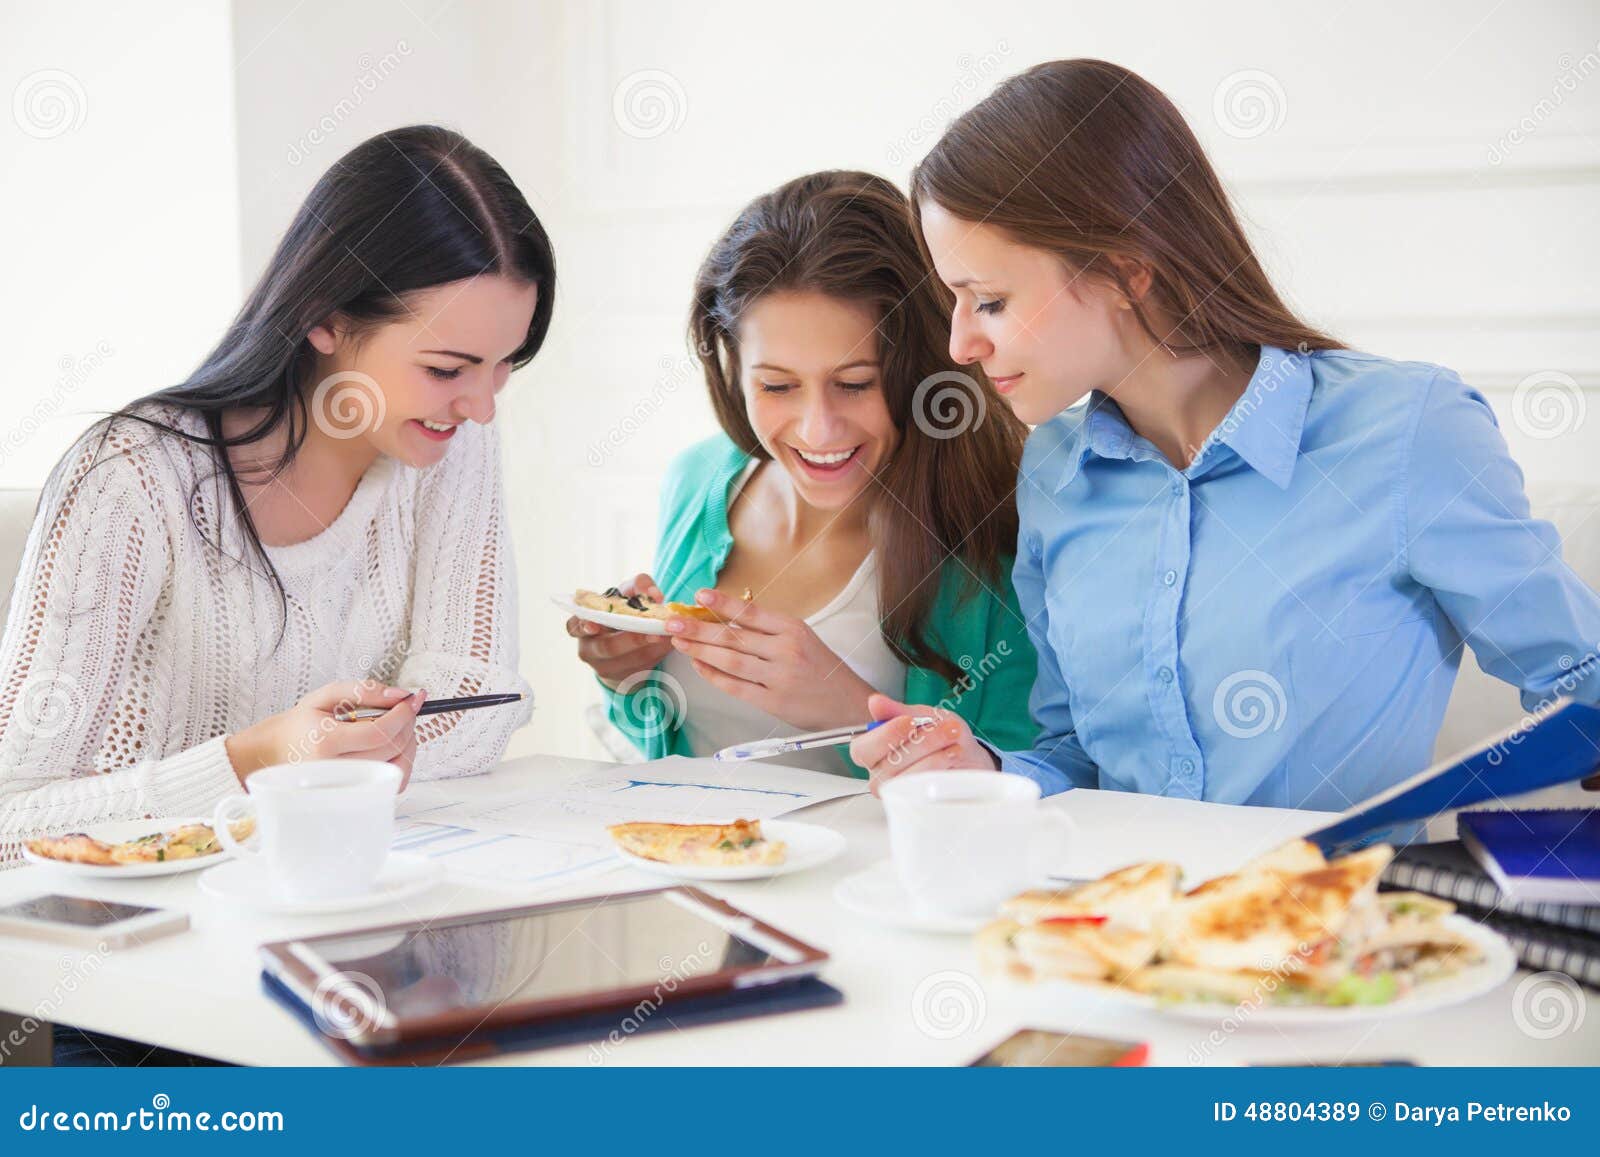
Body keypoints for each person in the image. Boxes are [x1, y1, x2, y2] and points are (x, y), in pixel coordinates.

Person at [852, 60, 1600, 809]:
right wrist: (983, 772)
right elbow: (1075, 753)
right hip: (1108, 914)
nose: (958, 346)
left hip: (1327, 917)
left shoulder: (1407, 431)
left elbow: (1582, 685)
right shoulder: (1054, 471)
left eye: (987, 300)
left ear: (1123, 270)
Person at [0, 125, 551, 869]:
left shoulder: (448, 443)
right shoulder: (129, 479)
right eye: (448, 367)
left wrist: (321, 758)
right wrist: (257, 760)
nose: (482, 405)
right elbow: (11, 819)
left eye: (503, 365)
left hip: (338, 900)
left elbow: (481, 709)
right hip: (141, 930)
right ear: (324, 315)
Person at [570, 171, 1036, 774]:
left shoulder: (1000, 520)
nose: (818, 429)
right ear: (733, 368)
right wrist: (629, 676)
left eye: (854, 384)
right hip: (702, 857)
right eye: (777, 385)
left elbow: (1023, 776)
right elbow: (671, 747)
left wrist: (847, 708)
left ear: (919, 369)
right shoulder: (698, 479)